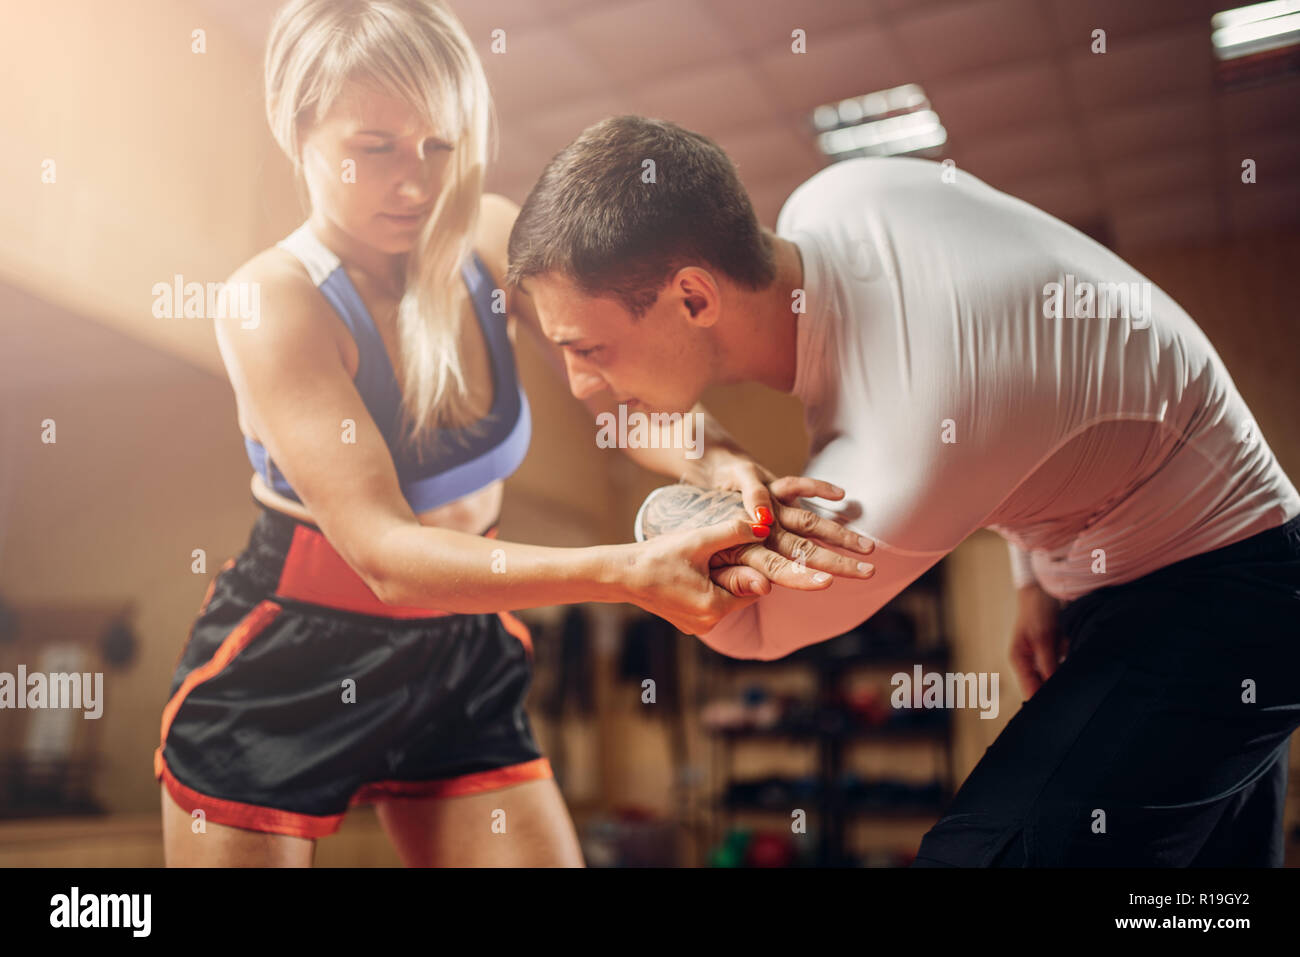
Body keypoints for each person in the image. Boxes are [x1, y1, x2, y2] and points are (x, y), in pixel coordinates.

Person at [155, 1, 874, 868]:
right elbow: (386, 553)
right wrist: (623, 572)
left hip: (460, 648)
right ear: (296, 129)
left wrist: (713, 457)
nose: (416, 183)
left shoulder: (488, 236)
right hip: (293, 656)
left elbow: (616, 395)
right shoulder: (273, 299)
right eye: (374, 148)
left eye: (438, 144)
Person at [506, 114, 1300, 866]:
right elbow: (1053, 339)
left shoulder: (902, 451)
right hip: (1180, 548)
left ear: (693, 297)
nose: (580, 386)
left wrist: (659, 528)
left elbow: (743, 625)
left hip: (1223, 593)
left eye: (591, 348)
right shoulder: (844, 195)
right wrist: (1036, 570)